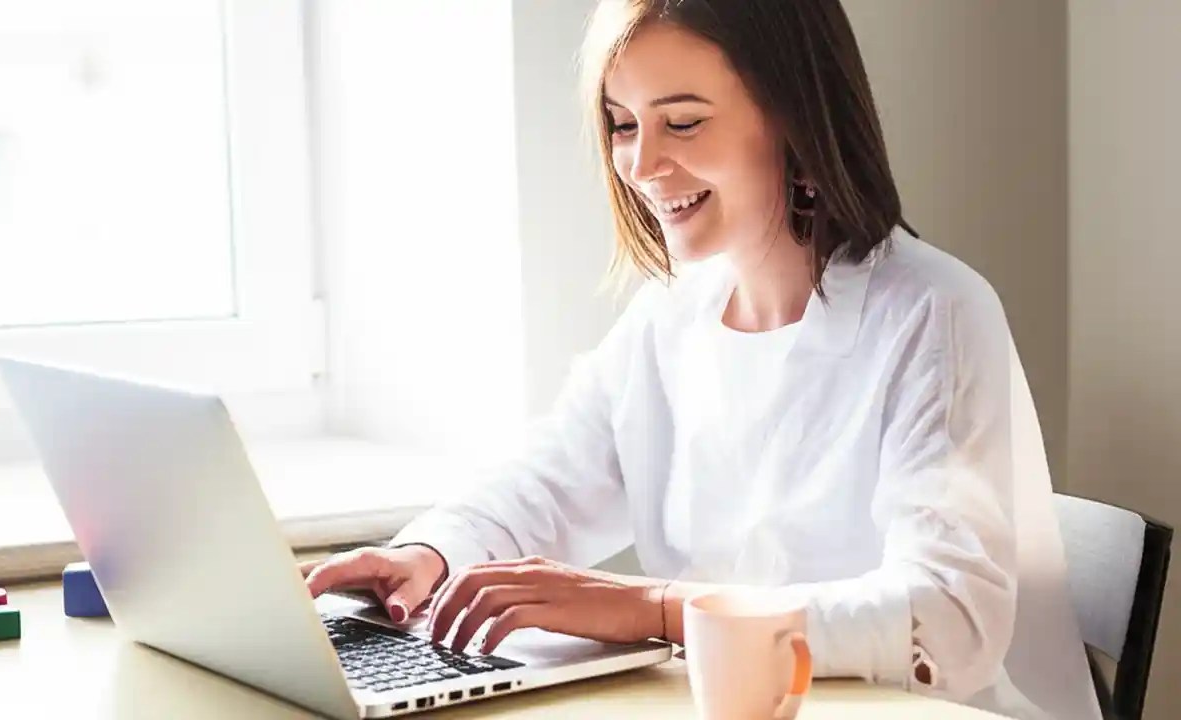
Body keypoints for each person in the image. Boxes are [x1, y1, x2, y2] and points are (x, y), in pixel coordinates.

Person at [300, 1, 1097, 717]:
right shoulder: (670, 317)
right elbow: (543, 487)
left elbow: (947, 623)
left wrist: (652, 607)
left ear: (794, 117)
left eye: (681, 123)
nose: (642, 165)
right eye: (622, 123)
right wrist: (427, 555)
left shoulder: (935, 313)